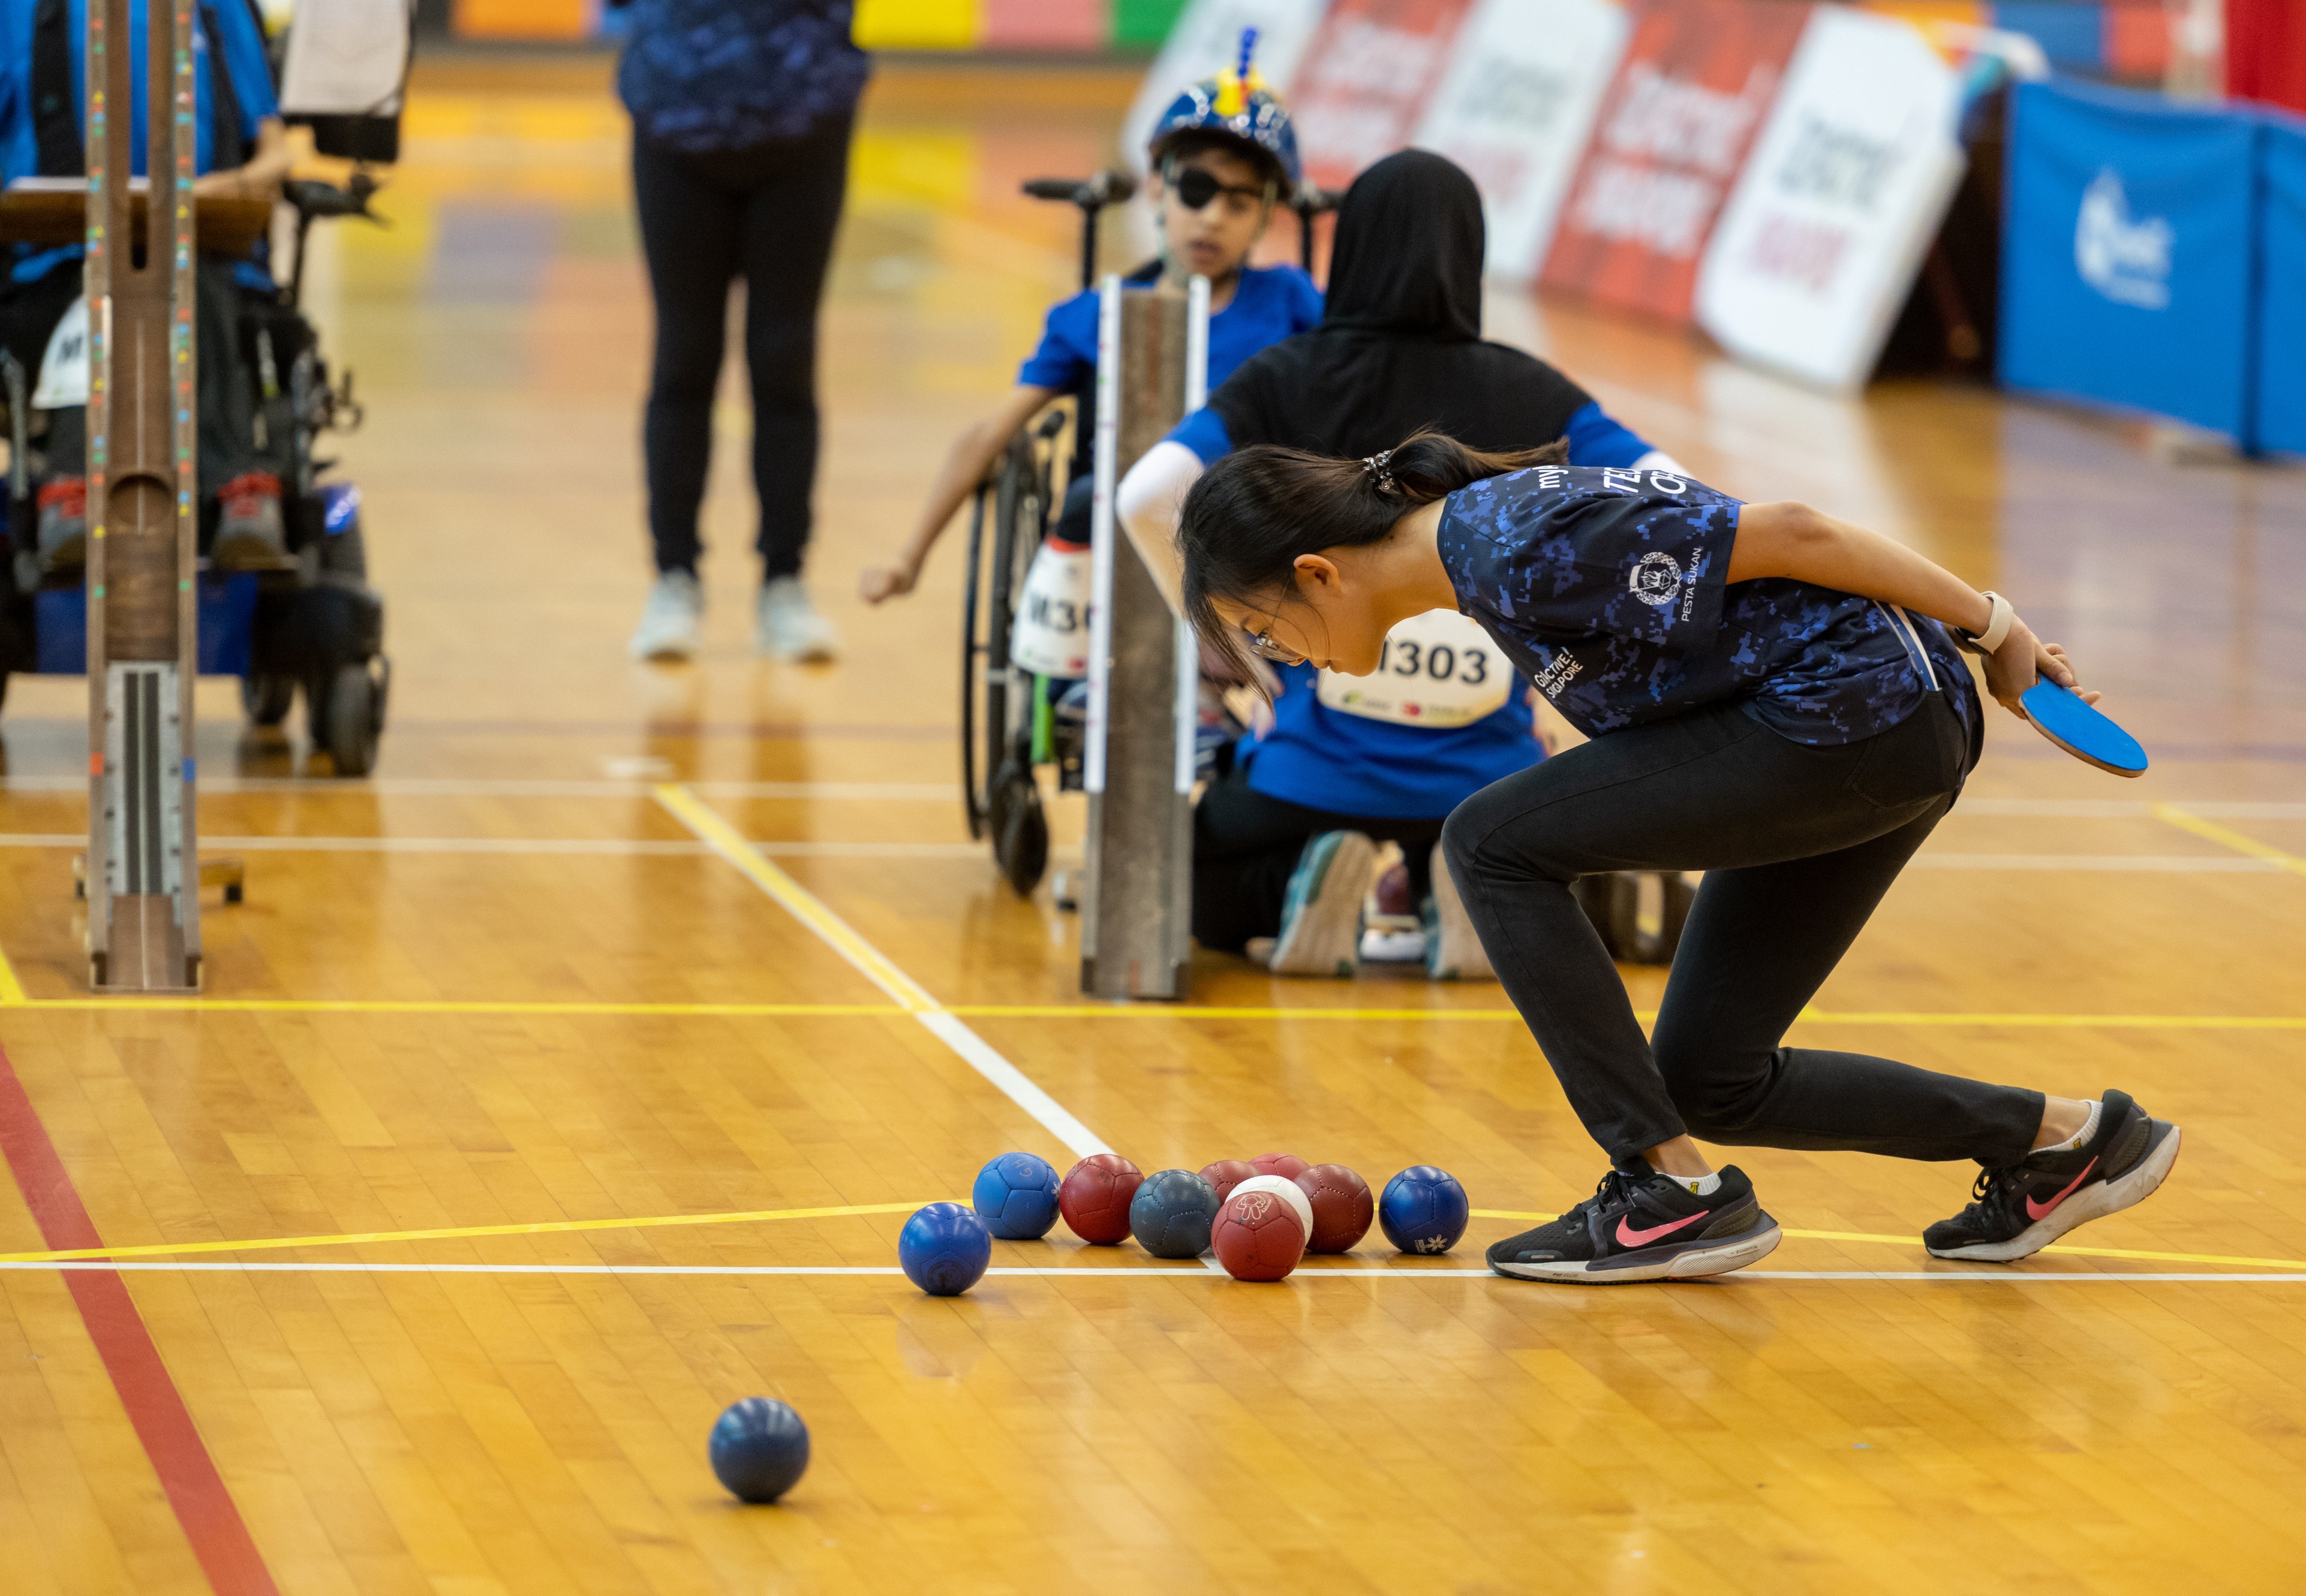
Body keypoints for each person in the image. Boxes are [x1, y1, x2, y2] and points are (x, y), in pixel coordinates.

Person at [1171, 432, 2181, 1283]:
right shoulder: (1485, 565)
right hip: (1866, 729)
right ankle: (2062, 1143)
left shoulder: (1508, 544)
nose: (1285, 662)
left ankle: (1666, 1192)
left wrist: (1994, 623)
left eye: (1268, 633)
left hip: (1849, 719)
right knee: (1710, 1078)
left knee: (1488, 841)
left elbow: (1797, 533)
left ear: (1317, 573)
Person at [1116, 149, 1680, 979]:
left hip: (1315, 762)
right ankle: (1449, 882)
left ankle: (1304, 885)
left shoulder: (1284, 374)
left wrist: (1241, 649)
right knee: (1511, 843)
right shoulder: (1534, 390)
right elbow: (1678, 497)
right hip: (1489, 771)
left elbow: (1142, 497)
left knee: (1208, 878)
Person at [858, 40, 1319, 632]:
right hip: (1116, 535)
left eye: (1239, 201)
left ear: (1267, 214)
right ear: (1157, 188)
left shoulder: (1293, 301)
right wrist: (909, 557)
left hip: (1248, 536)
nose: (1211, 217)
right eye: (1196, 191)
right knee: (1082, 503)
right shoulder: (1094, 314)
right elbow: (988, 435)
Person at [0, 0, 293, 572]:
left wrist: (220, 190)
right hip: (54, 262)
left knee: (178, 277)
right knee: (102, 291)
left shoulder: (220, 8)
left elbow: (276, 154)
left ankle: (236, 492)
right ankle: (72, 484)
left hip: (200, 251)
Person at [619, 0, 870, 662]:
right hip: (676, 117)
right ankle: (674, 580)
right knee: (682, 358)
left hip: (802, 120)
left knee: (784, 360)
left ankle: (784, 584)